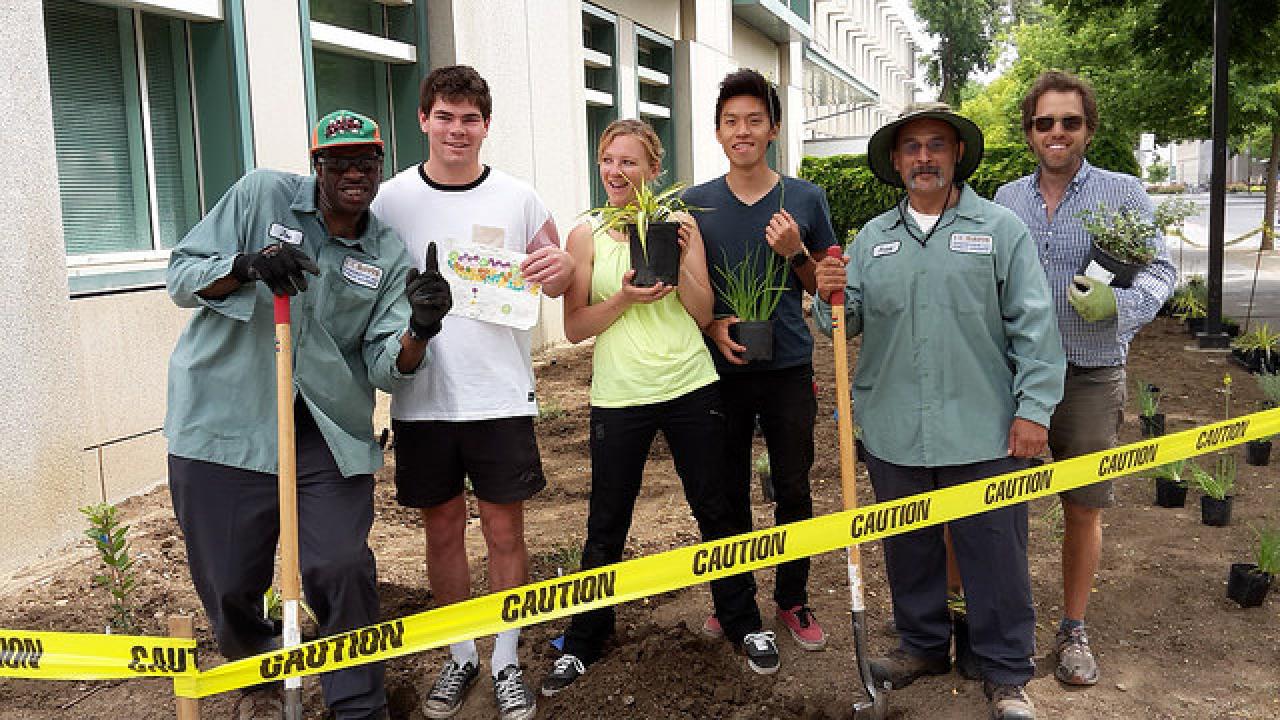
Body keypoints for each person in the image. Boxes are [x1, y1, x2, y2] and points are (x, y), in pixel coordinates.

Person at [165, 109, 450, 720]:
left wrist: (422, 328)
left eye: (365, 161)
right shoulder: (259, 194)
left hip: (325, 430)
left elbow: (383, 362)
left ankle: (358, 706)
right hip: (224, 424)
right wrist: (243, 267)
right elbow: (182, 275)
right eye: (338, 161)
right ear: (316, 165)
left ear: (378, 167)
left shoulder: (385, 253)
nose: (354, 172)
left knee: (340, 566)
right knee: (227, 583)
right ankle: (265, 663)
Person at [813, 102, 1066, 720]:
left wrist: (1034, 410)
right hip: (895, 427)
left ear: (956, 156)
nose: (923, 157)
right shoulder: (874, 239)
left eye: (936, 145)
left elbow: (1035, 327)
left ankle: (1006, 671)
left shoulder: (1001, 229)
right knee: (910, 547)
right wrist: (826, 291)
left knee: (995, 552)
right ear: (897, 162)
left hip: (983, 427)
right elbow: (843, 325)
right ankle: (923, 645)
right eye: (911, 148)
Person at [538, 119, 774, 694]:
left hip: (691, 385)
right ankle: (586, 639)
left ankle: (743, 622)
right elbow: (573, 329)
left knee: (715, 508)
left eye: (629, 162)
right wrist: (624, 296)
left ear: (652, 171)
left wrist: (683, 261)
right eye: (607, 161)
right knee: (606, 523)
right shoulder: (586, 234)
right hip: (619, 396)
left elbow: (701, 312)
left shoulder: (679, 223)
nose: (616, 172)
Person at [370, 65, 573, 720]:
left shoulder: (517, 198)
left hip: (500, 395)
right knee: (443, 531)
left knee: (504, 530)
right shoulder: (391, 200)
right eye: (445, 116)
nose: (458, 130)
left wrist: (562, 266)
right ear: (424, 119)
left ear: (486, 126)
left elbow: (561, 274)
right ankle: (460, 655)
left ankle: (507, 658)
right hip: (423, 396)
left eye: (471, 118)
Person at [994, 70, 1177, 687]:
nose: (1057, 133)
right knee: (1004, 505)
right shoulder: (1005, 199)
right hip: (1016, 381)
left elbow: (1160, 272)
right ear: (1029, 132)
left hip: (1090, 375)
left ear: (1088, 129)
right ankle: (1004, 624)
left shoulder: (1123, 193)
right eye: (1044, 122)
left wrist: (1118, 309)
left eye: (1069, 122)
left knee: (1083, 506)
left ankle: (1073, 629)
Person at [684, 68, 838, 656]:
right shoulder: (694, 203)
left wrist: (795, 249)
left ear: (772, 128)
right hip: (717, 370)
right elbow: (683, 286)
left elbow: (826, 288)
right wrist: (709, 324)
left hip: (789, 367)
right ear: (718, 132)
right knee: (724, 492)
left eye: (754, 120)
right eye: (731, 122)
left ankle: (792, 598)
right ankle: (734, 601)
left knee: (795, 486)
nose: (742, 131)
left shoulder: (804, 198)